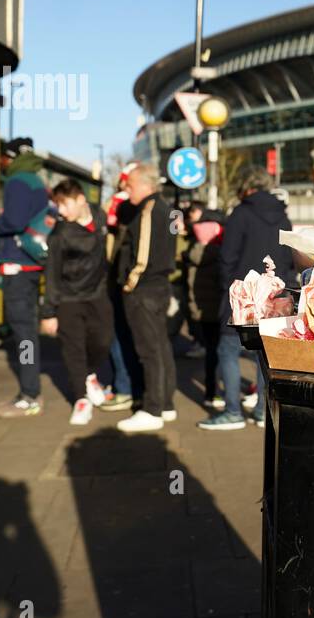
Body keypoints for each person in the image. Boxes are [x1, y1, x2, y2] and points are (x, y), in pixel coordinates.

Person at [200, 171, 296, 431]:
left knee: (228, 350)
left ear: (248, 189)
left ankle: (233, 411)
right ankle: (262, 411)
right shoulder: (284, 216)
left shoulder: (241, 214)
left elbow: (227, 255)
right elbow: (287, 258)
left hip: (242, 294)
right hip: (273, 294)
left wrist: (229, 287)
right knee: (264, 354)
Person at [0, 137, 50, 419]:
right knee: (26, 330)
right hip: (29, 266)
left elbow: (14, 221)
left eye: (2, 157)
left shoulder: (18, 181)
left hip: (18, 266)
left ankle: (29, 395)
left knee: (23, 332)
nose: (0, 162)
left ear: (10, 158)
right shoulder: (36, 180)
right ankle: (29, 390)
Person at [40, 180, 114, 426]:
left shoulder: (100, 216)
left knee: (102, 341)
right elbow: (50, 273)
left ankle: (89, 375)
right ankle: (81, 400)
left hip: (98, 295)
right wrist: (49, 312)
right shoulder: (59, 234)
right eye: (57, 206)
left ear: (81, 199)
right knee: (73, 349)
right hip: (69, 298)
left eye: (64, 204)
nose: (60, 211)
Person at [113, 163, 178, 433]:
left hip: (144, 290)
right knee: (160, 347)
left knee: (148, 351)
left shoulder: (150, 211)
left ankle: (152, 409)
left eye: (131, 184)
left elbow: (142, 255)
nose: (127, 189)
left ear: (145, 185)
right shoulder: (167, 209)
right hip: (159, 287)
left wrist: (130, 283)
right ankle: (165, 404)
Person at [98, 164, 142, 413]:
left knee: (118, 335)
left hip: (119, 279)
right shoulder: (147, 205)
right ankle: (126, 386)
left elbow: (111, 240)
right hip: (129, 280)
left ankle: (124, 388)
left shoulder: (119, 203)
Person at [184, 208, 226, 411]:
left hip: (202, 311)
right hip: (219, 310)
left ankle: (211, 392)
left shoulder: (193, 251)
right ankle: (221, 391)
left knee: (211, 352)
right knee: (223, 352)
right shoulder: (221, 254)